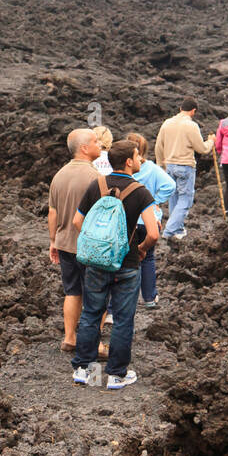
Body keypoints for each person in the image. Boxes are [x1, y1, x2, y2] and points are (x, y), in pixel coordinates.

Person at [71, 139, 158, 389]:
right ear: (129, 162)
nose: (141, 160)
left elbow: (78, 222)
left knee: (90, 313)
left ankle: (82, 370)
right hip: (127, 264)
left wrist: (97, 244)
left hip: (97, 263)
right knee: (123, 319)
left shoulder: (96, 185)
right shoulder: (141, 192)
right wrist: (140, 250)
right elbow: (153, 233)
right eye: (138, 157)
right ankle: (117, 375)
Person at [48, 129, 104, 355]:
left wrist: (53, 240)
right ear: (84, 148)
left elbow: (53, 212)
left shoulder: (59, 175)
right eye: (95, 141)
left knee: (72, 291)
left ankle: (70, 338)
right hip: (90, 245)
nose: (99, 144)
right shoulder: (95, 177)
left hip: (65, 243)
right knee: (97, 294)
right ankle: (93, 343)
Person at [154, 97, 215, 239]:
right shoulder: (191, 126)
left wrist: (160, 165)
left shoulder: (167, 123)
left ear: (181, 108)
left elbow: (158, 146)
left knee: (174, 197)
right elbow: (202, 149)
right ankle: (169, 231)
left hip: (169, 165)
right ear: (193, 111)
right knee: (185, 200)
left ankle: (178, 229)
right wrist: (211, 142)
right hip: (185, 166)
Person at [127, 132, 175, 308]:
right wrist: (155, 200)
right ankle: (149, 298)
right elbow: (170, 185)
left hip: (128, 221)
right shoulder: (152, 169)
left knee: (123, 259)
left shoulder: (122, 170)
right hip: (149, 222)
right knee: (147, 259)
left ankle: (115, 306)